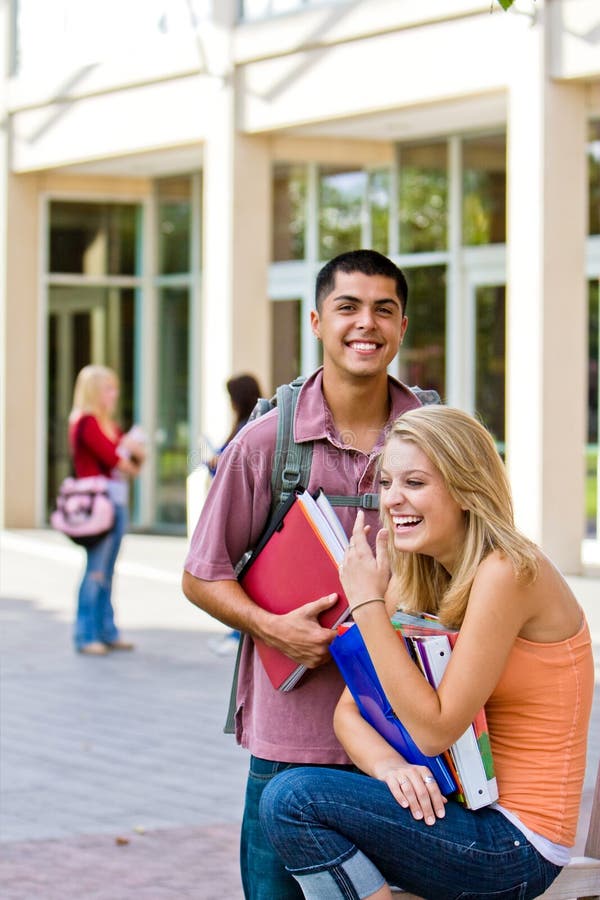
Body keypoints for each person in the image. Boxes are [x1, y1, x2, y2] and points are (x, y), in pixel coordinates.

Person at [259, 406, 594, 900]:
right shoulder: (417, 574)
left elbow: (436, 729)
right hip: (460, 812)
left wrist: (367, 602)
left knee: (293, 801)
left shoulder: (508, 572)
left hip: (518, 843)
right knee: (297, 800)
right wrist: (391, 769)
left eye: (414, 482)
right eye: (388, 482)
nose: (392, 500)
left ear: (465, 489)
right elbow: (350, 713)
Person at [182, 249, 422, 899]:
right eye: (347, 307)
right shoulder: (266, 443)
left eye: (383, 309)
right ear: (316, 321)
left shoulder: (436, 439)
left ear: (402, 327)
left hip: (410, 743)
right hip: (291, 743)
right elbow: (201, 574)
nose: (364, 324)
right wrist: (272, 628)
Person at [69, 364, 146, 656]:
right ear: (95, 391)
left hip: (115, 502)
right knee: (96, 570)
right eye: (109, 389)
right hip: (98, 505)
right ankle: (85, 634)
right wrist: (127, 452)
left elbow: (132, 462)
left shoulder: (106, 424)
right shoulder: (86, 422)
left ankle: (107, 630)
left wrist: (128, 453)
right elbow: (117, 459)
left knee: (108, 570)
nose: (115, 395)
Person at [207, 373, 263, 655]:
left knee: (236, 572)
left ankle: (237, 633)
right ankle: (236, 633)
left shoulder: (250, 429)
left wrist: (217, 462)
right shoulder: (252, 425)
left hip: (243, 517)